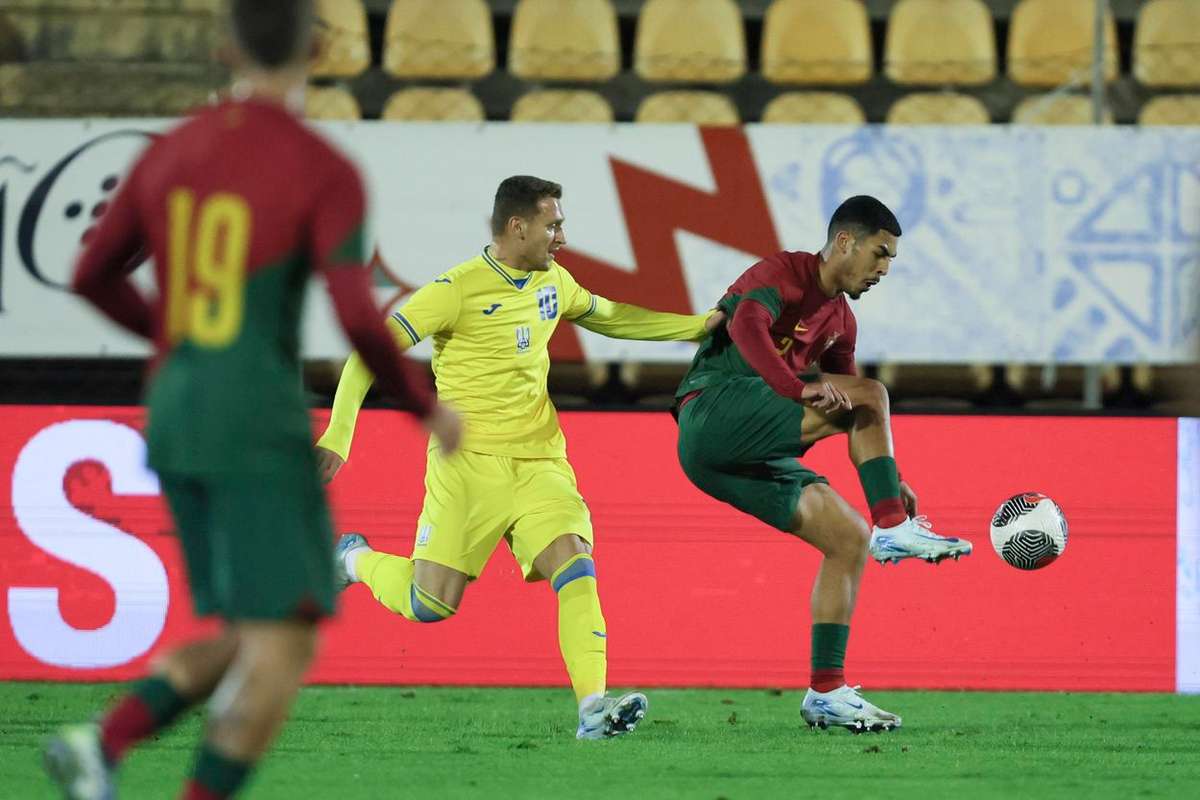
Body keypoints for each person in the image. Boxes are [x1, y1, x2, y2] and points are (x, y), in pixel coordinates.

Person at [45, 2, 461, 797]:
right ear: (319, 50)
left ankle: (106, 740)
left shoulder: (171, 150)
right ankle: (125, 754)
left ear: (223, 49)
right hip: (255, 421)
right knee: (286, 642)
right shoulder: (322, 167)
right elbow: (355, 313)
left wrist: (170, 335)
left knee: (250, 630)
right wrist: (424, 406)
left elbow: (91, 274)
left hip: (175, 415)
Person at [315, 175, 722, 739]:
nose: (563, 237)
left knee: (576, 565)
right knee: (429, 603)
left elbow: (610, 315)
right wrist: (339, 435)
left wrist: (699, 328)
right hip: (467, 465)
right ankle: (352, 560)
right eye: (554, 225)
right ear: (518, 226)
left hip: (540, 461)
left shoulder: (554, 281)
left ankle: (593, 710)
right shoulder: (456, 289)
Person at [674, 195, 972, 733]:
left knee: (849, 538)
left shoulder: (841, 322)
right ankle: (893, 529)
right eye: (880, 253)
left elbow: (856, 409)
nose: (884, 269)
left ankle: (827, 692)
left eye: (891, 260)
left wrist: (891, 480)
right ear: (844, 242)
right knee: (873, 393)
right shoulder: (782, 273)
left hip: (734, 460)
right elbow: (745, 327)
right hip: (712, 411)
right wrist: (796, 388)